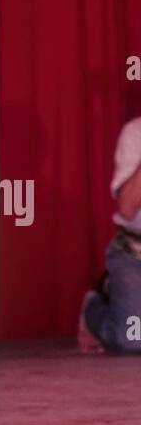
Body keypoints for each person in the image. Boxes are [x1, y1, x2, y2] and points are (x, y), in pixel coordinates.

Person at [78, 116, 141, 354]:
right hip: (134, 257)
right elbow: (126, 207)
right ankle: (94, 307)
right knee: (133, 337)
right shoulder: (135, 133)